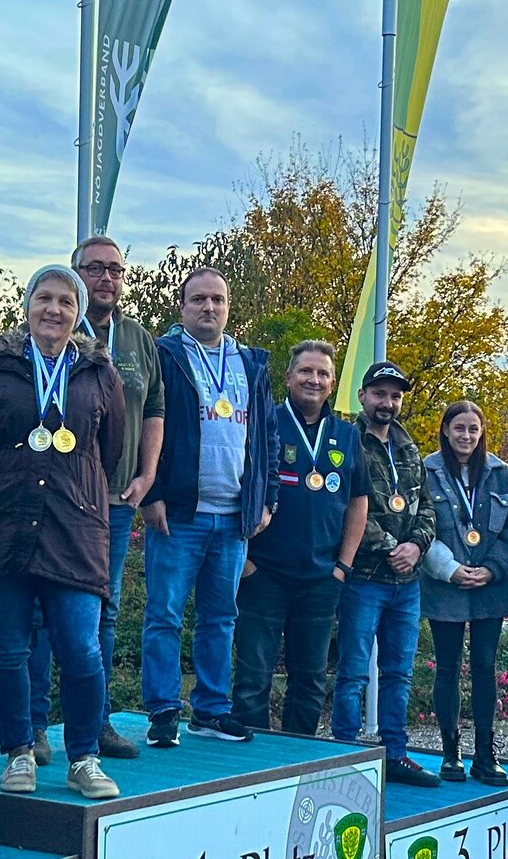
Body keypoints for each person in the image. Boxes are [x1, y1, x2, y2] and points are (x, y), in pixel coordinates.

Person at [0, 266, 126, 800]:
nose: (53, 309)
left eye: (65, 300)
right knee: (8, 647)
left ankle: (84, 756)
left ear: (78, 311)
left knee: (81, 648)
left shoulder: (99, 373)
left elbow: (111, 452)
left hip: (75, 527)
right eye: (44, 298)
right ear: (27, 304)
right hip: (6, 522)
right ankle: (18, 751)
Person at [23, 235, 164, 762]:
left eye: (114, 270)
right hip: (45, 502)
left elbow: (153, 409)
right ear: (75, 274)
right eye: (94, 269)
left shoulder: (137, 339)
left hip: (113, 501)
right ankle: (34, 727)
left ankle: (96, 722)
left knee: (103, 615)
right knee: (36, 614)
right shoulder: (47, 331)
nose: (105, 278)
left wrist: (147, 474)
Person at [138, 266, 278, 747]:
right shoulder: (165, 355)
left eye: (217, 299)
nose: (209, 308)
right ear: (182, 307)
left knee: (221, 617)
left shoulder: (251, 363)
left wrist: (267, 500)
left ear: (228, 306)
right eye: (198, 299)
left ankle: (212, 711)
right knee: (165, 614)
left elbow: (267, 436)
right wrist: (151, 493)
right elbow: (145, 424)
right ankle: (161, 711)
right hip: (179, 512)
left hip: (234, 514)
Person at [230, 341, 368, 734]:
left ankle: (297, 761)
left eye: (323, 373)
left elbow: (358, 502)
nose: (314, 379)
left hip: (321, 580)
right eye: (306, 371)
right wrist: (245, 561)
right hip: (263, 575)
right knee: (252, 680)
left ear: (333, 382)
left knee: (309, 682)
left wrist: (343, 566)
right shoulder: (263, 422)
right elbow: (237, 488)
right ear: (289, 377)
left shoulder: (347, 434)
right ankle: (254, 771)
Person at [330, 362, 440, 787]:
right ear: (362, 396)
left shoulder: (409, 447)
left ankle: (394, 752)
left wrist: (417, 546)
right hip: (364, 577)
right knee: (354, 670)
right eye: (379, 394)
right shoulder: (346, 440)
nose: (387, 403)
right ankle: (342, 752)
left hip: (406, 583)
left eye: (394, 396)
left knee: (399, 672)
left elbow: (426, 506)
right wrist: (391, 547)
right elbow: (345, 505)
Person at [418, 400, 508, 784]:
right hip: (444, 587)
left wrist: (491, 569)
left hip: (490, 589)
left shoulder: (502, 475)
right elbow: (418, 526)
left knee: (485, 669)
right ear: (445, 429)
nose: (466, 436)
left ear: (481, 433)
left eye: (473, 429)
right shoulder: (425, 472)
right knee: (446, 668)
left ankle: (486, 752)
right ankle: (451, 753)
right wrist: (451, 570)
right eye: (459, 428)